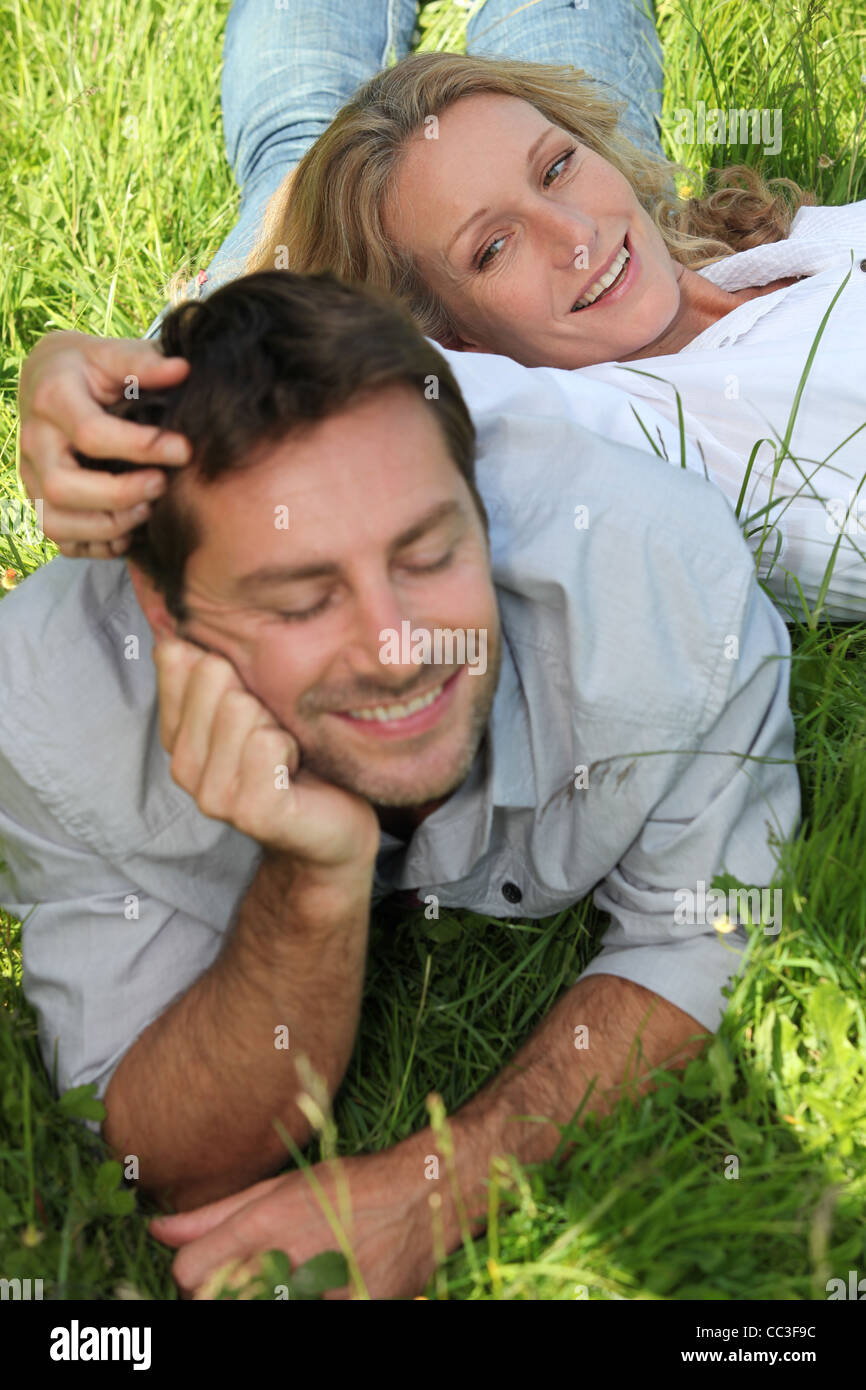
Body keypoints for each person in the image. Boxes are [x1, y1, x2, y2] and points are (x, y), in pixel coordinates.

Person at [0, 270, 798, 1299]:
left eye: (429, 554)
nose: (398, 649)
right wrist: (311, 878)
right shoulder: (46, 709)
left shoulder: (661, 588)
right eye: (300, 599)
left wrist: (452, 1175)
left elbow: (704, 931)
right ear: (165, 610)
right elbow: (164, 1156)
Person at [17, 4, 866, 618]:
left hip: (654, 244)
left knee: (301, 140)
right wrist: (93, 390)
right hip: (623, 270)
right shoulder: (599, 416)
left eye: (561, 167)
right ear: (453, 337)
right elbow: (254, 392)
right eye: (492, 250)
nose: (573, 234)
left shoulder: (619, 383)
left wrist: (77, 378)